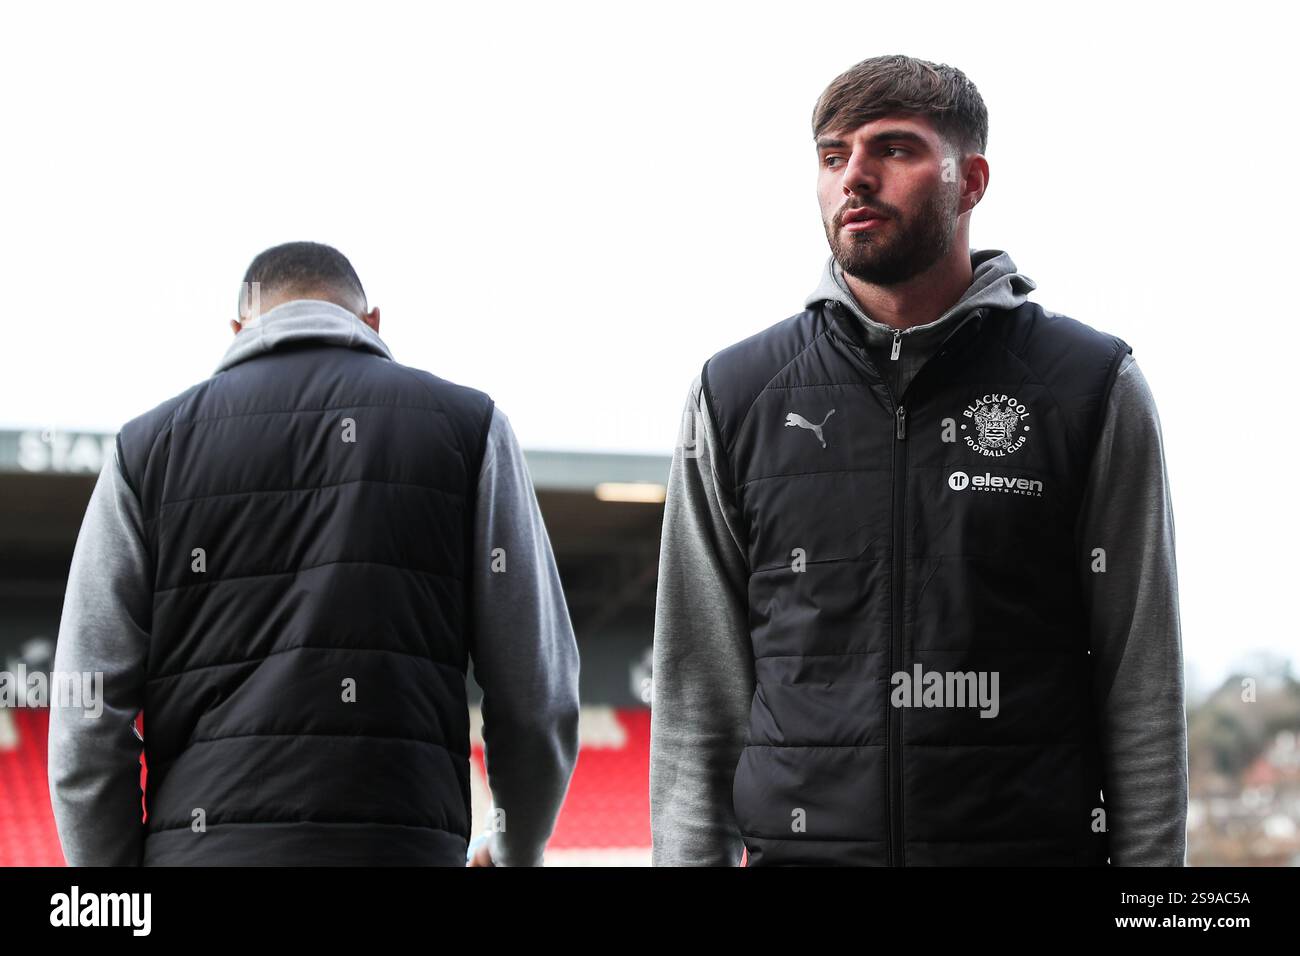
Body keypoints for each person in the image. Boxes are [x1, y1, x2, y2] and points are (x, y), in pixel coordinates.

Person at [650, 54, 1187, 866]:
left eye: (892, 149)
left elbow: (1140, 688)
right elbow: (698, 698)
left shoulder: (1089, 387)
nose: (854, 177)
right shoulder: (736, 393)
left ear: (969, 181)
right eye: (833, 157)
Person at [48, 240, 580, 866]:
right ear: (373, 321)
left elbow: (86, 713)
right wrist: (517, 848)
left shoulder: (145, 451)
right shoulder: (471, 428)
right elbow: (535, 692)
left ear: (238, 328)